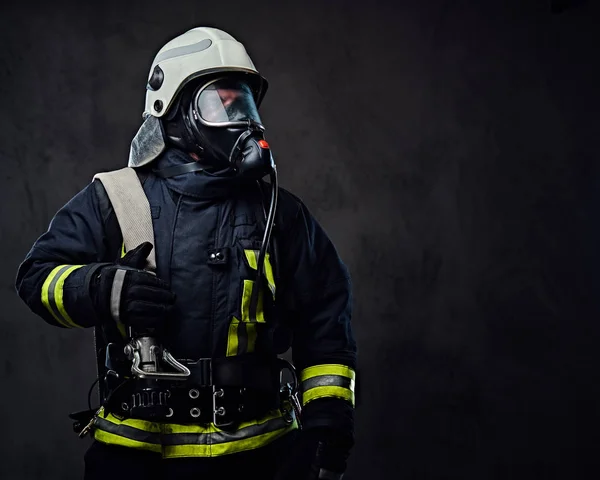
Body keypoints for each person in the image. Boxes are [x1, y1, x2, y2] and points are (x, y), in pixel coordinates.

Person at [15, 26, 357, 480]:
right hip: (137, 459)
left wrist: (328, 430)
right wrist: (104, 288)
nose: (242, 119)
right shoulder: (115, 199)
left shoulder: (281, 212)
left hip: (262, 456)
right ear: (172, 112)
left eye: (245, 103)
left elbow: (325, 320)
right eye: (220, 102)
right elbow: (36, 277)